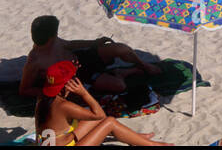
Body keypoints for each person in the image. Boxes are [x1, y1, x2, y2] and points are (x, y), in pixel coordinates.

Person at [20, 15, 160, 99]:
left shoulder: (53, 40)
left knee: (121, 49)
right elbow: (24, 90)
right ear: (51, 36)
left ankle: (143, 65)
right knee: (119, 86)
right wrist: (55, 92)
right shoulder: (35, 61)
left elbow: (70, 44)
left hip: (82, 58)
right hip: (79, 75)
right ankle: (123, 72)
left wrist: (94, 43)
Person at [34, 63, 166, 147]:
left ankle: (135, 138)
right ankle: (151, 144)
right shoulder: (64, 106)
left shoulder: (44, 96)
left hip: (49, 143)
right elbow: (99, 115)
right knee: (109, 121)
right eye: (74, 79)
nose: (77, 80)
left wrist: (71, 69)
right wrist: (84, 93)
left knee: (91, 118)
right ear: (66, 86)